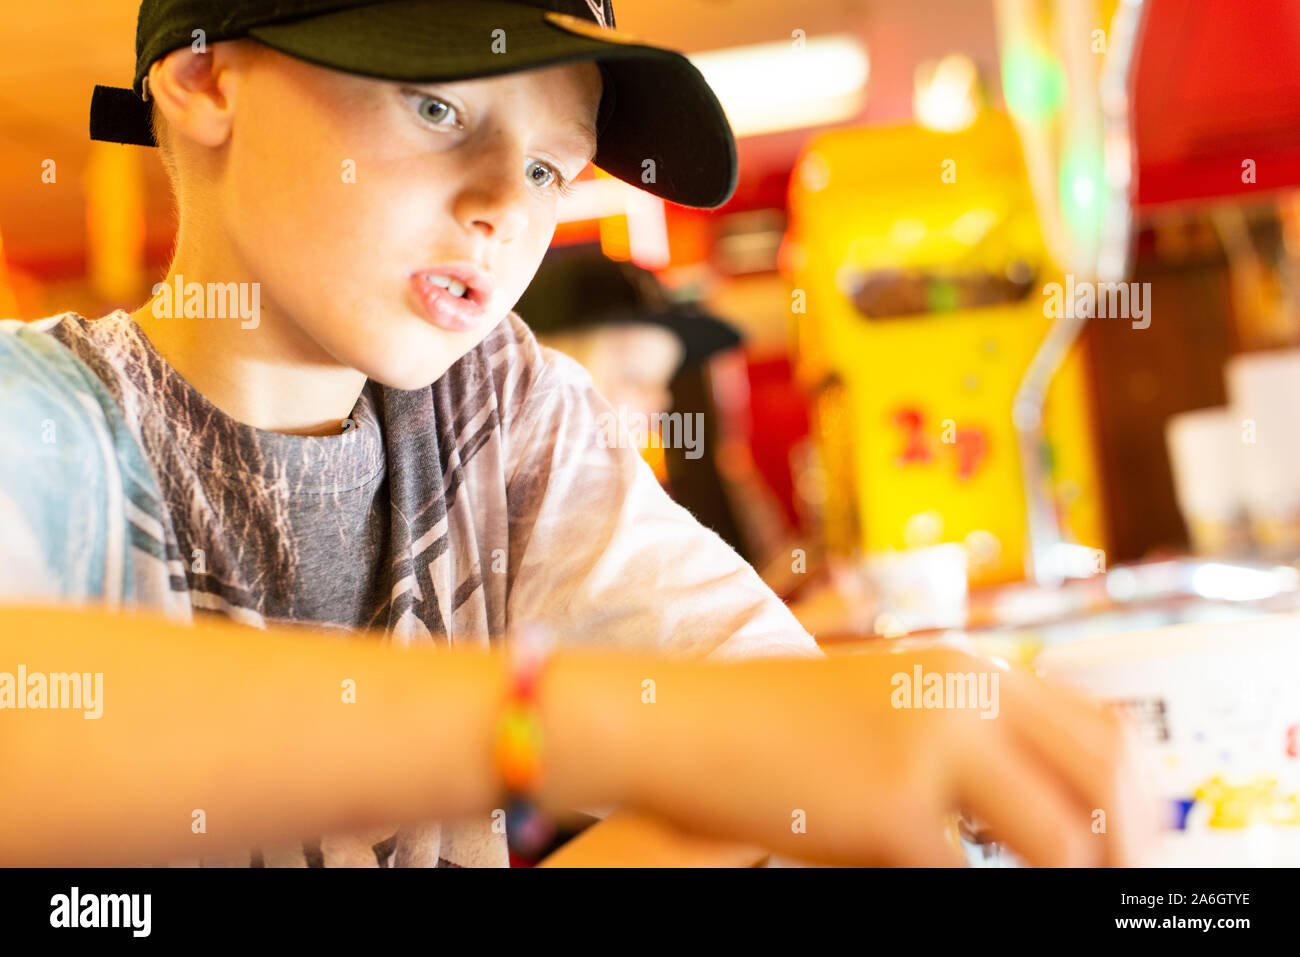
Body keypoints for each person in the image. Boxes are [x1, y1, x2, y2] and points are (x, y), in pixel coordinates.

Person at [0, 0, 1153, 868]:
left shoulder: (496, 412)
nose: (506, 205)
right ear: (205, 74)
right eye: (438, 105)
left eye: (553, 163)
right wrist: (571, 723)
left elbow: (781, 738)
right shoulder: (36, 421)